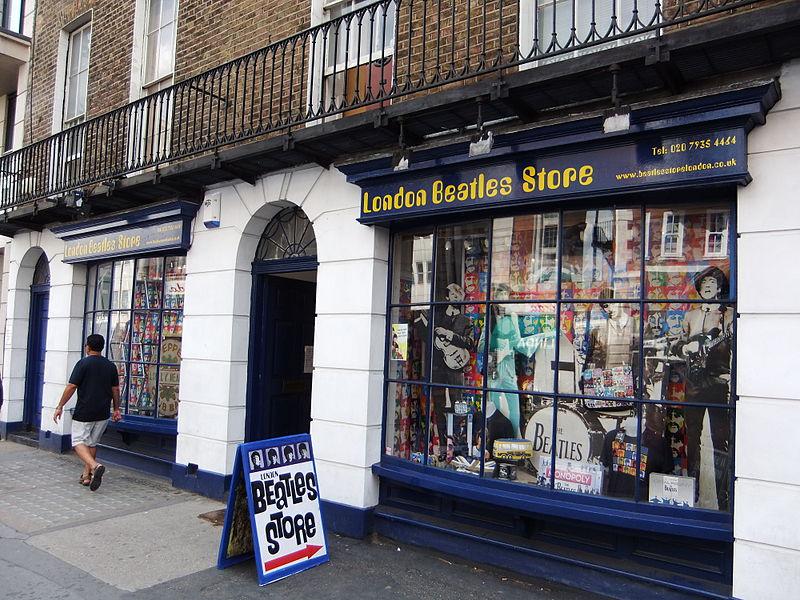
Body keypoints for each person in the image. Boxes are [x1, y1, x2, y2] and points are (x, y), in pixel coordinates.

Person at [673, 266, 733, 508]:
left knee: (721, 440)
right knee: (692, 438)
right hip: (694, 384)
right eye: (703, 283)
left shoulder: (728, 315)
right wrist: (685, 347)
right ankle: (692, 491)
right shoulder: (690, 316)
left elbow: (737, 345)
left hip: (719, 382)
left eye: (711, 282)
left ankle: (724, 498)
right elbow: (676, 343)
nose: (707, 286)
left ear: (719, 288)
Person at [54, 334, 121, 491]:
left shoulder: (83, 364)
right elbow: (116, 389)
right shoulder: (110, 366)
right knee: (91, 443)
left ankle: (95, 466)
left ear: (88, 347)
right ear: (102, 347)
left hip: (85, 411)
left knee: (78, 442)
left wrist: (60, 406)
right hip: (103, 412)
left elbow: (71, 386)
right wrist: (116, 408)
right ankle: (86, 476)